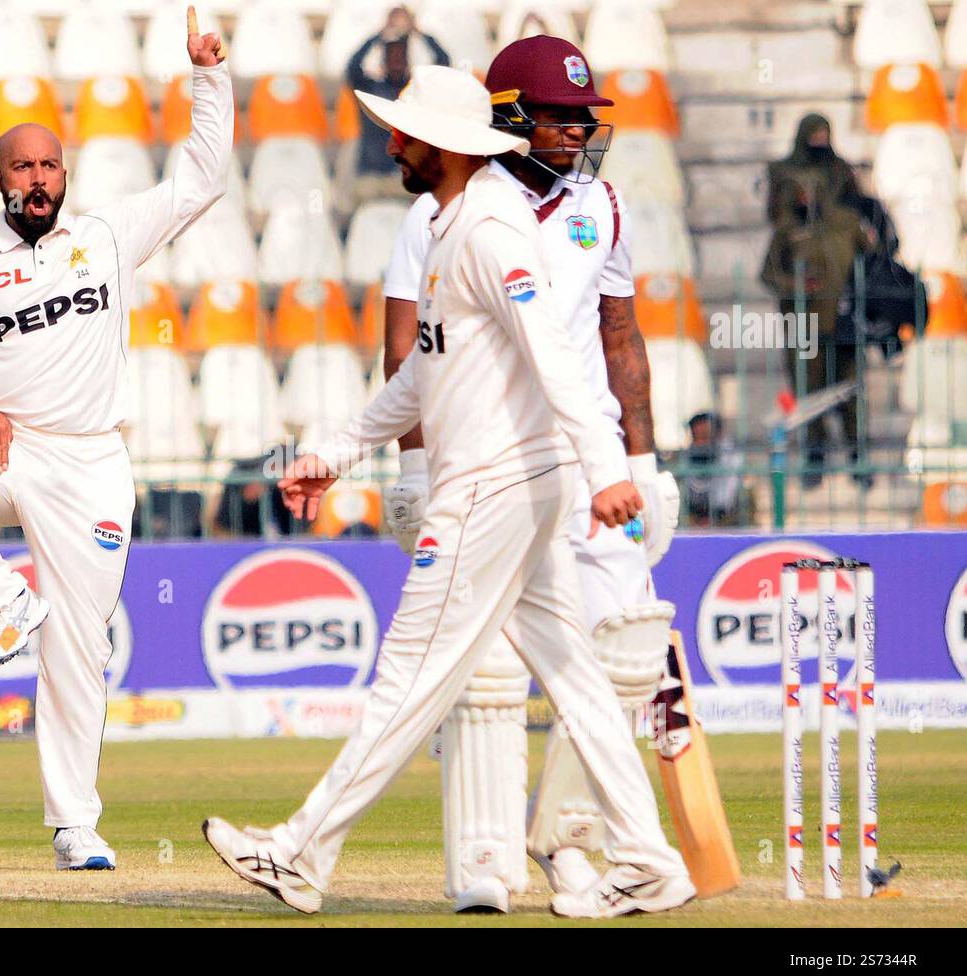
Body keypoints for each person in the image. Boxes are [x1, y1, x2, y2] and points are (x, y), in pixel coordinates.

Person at [202, 64, 694, 920]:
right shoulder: (447, 223)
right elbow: (420, 383)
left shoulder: (491, 232)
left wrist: (611, 469)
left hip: (494, 489)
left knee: (408, 677)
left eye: (405, 133)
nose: (391, 143)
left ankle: (299, 852)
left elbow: (554, 353)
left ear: (444, 146)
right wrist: (333, 452)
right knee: (576, 678)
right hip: (513, 483)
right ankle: (651, 863)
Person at [0, 8, 230, 872]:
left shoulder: (105, 239)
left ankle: (75, 823)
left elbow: (201, 180)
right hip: (8, 448)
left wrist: (208, 76)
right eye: (20, 167)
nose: (35, 179)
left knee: (83, 642)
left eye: (47, 165)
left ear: (64, 174)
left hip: (93, 463)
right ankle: (0, 595)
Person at [380, 35, 682, 912]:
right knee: (484, 670)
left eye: (586, 118)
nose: (579, 133)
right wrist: (415, 469)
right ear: (509, 115)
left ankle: (575, 845)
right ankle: (483, 857)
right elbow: (409, 347)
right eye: (560, 118)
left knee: (626, 646)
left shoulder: (605, 204)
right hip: (484, 464)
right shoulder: (446, 205)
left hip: (588, 473)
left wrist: (642, 459)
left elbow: (617, 336)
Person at [762, 113, 871, 488]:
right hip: (803, 322)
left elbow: (875, 259)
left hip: (843, 320)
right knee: (808, 393)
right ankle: (814, 457)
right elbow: (768, 273)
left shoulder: (847, 225)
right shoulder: (789, 234)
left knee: (851, 390)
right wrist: (795, 285)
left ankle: (858, 457)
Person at [341, 6, 448, 211]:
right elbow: (352, 67)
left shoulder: (417, 90)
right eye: (391, 55)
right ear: (383, 59)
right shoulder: (370, 89)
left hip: (406, 180)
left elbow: (442, 63)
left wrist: (417, 31)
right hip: (372, 179)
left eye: (401, 54)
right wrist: (381, 33)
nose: (396, 60)